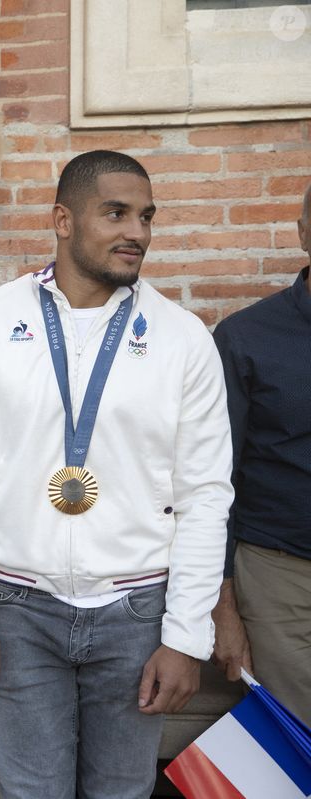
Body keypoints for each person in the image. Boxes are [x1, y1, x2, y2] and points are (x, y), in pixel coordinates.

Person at [0, 150, 233, 799]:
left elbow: (206, 494)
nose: (138, 232)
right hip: (16, 607)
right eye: (115, 212)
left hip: (137, 610)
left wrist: (186, 632)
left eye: (146, 216)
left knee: (121, 792)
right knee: (30, 791)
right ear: (63, 220)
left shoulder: (182, 338)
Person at [210, 181, 311, 724]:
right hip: (282, 580)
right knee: (299, 747)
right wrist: (223, 609)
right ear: (303, 232)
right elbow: (212, 482)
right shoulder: (246, 337)